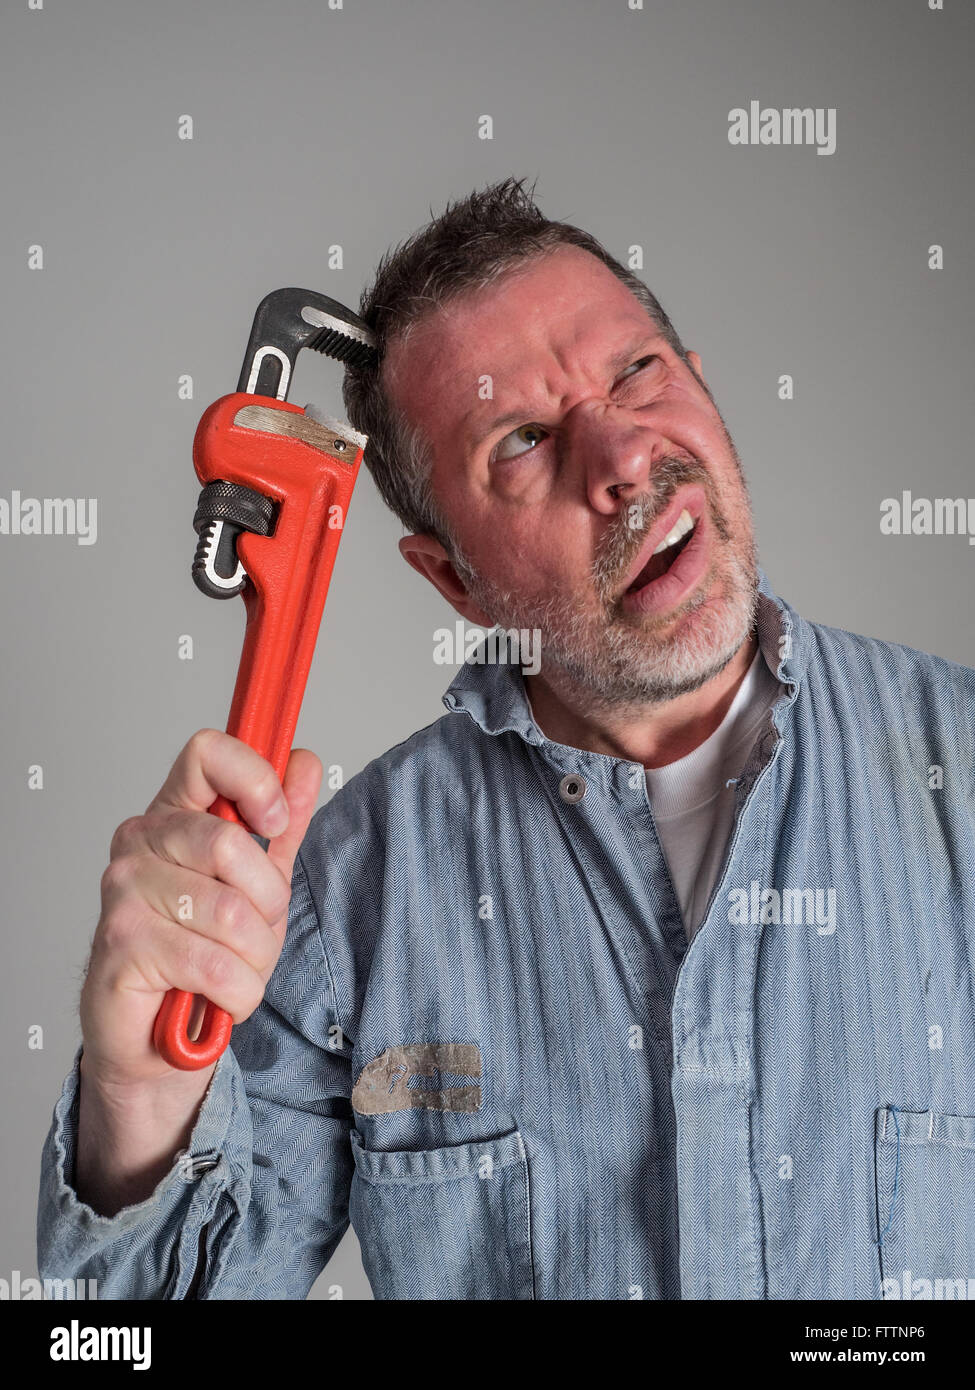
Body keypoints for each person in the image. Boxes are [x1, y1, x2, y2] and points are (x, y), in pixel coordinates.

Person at [38, 178, 975, 1300]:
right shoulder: (340, 901)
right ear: (453, 579)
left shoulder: (954, 773)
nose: (623, 458)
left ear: (707, 391)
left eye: (638, 371)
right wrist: (137, 1096)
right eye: (525, 439)